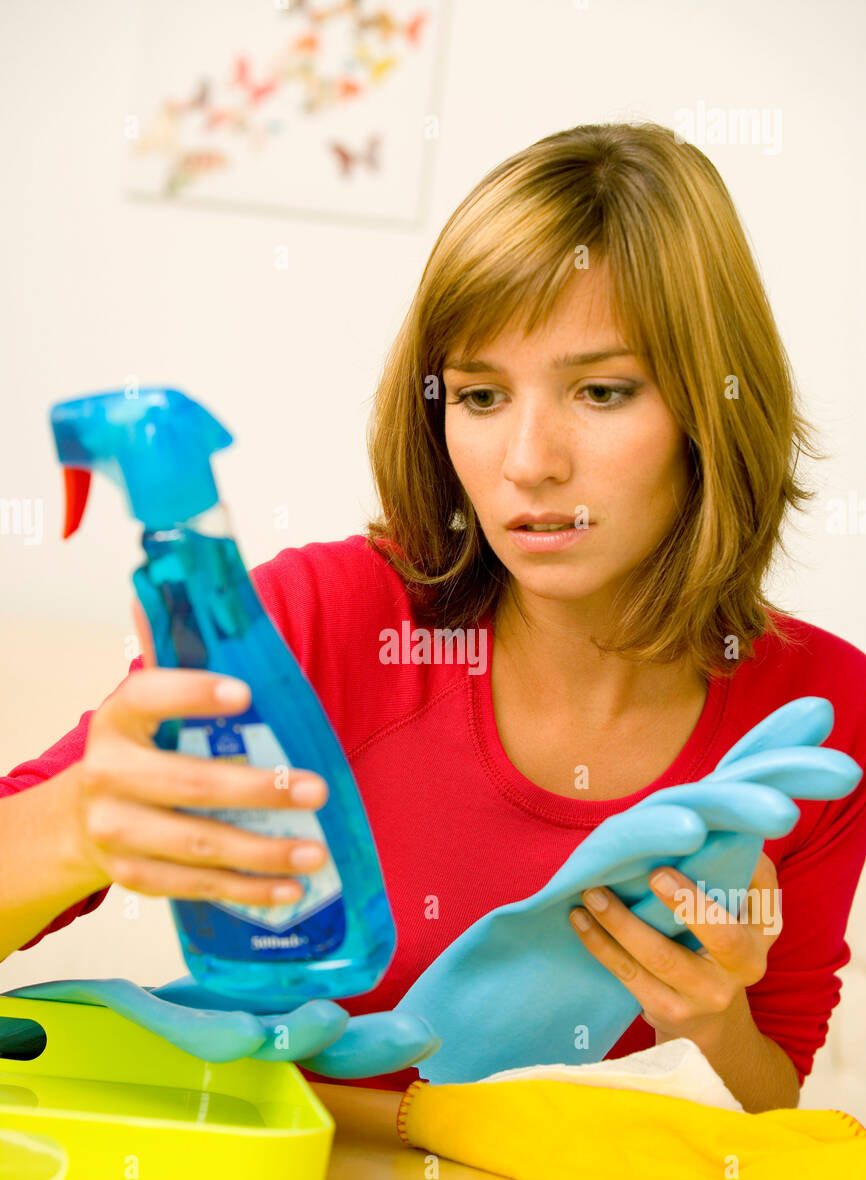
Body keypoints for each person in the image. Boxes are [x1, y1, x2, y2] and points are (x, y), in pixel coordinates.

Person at [1, 122, 864, 1113]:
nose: (529, 461)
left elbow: (768, 1107)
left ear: (712, 410)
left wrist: (706, 1019)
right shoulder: (314, 618)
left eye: (600, 391)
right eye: (480, 395)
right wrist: (81, 824)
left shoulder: (819, 711)